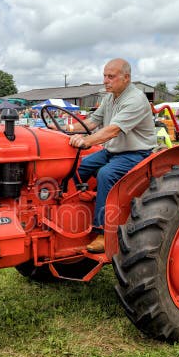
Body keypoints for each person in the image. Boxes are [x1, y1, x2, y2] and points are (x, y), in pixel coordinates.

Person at [68, 58, 156, 253]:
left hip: (136, 154)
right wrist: (64, 129)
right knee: (74, 168)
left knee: (106, 175)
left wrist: (86, 141)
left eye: (111, 76)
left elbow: (113, 130)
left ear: (126, 78)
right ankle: (72, 217)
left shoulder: (136, 99)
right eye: (104, 76)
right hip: (112, 151)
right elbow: (91, 122)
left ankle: (103, 232)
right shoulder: (110, 97)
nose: (106, 80)